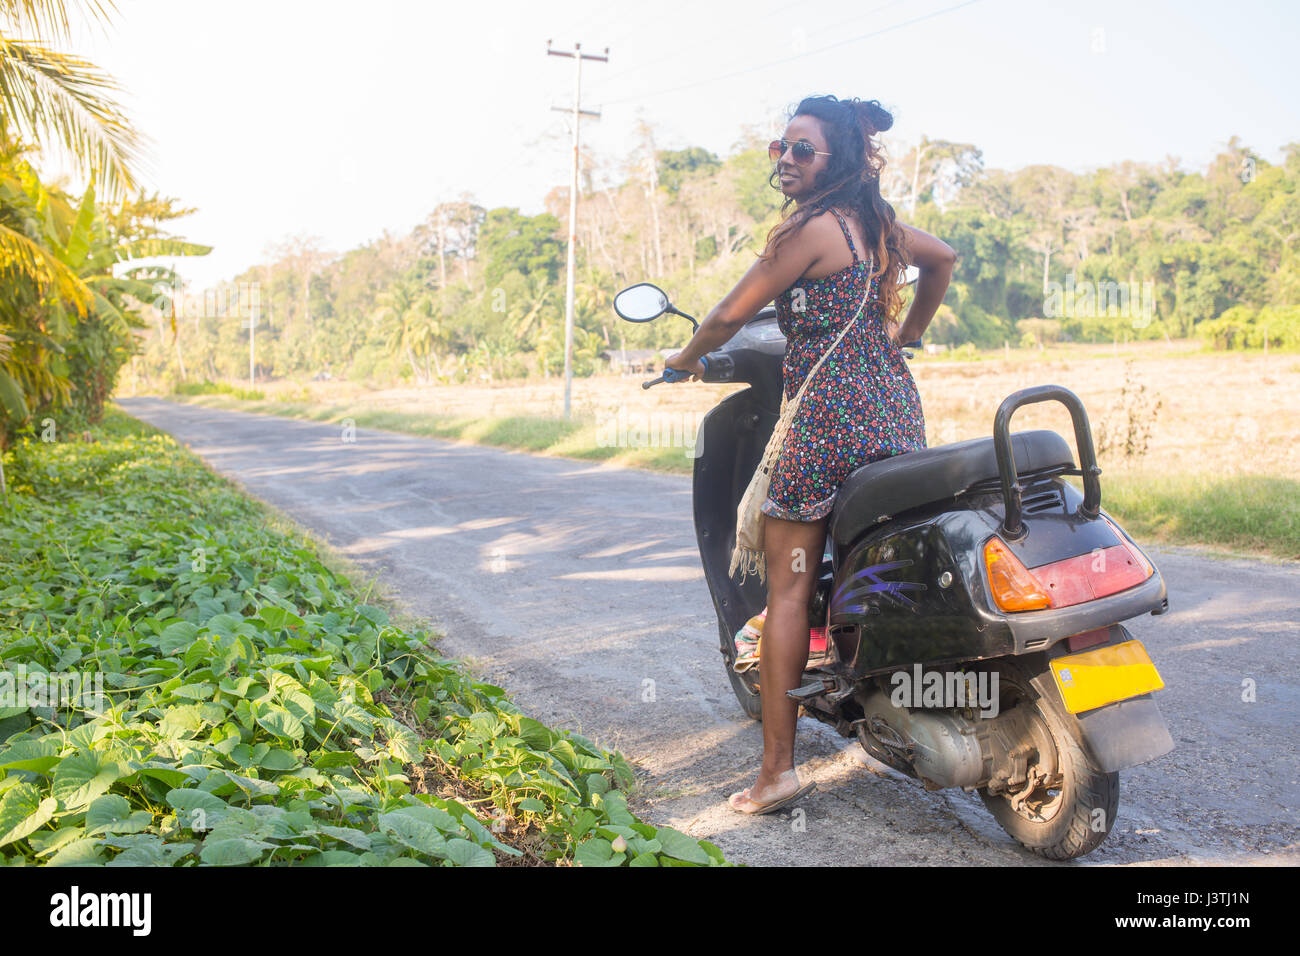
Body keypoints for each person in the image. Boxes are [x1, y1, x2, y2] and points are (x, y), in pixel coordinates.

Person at [663, 94, 956, 814]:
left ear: (837, 161)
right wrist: (906, 335)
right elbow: (943, 258)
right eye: (781, 147)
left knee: (789, 586)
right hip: (891, 409)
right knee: (871, 550)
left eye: (803, 149)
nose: (786, 159)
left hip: (823, 418)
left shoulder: (806, 230)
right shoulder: (877, 227)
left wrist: (682, 358)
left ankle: (777, 774)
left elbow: (732, 313)